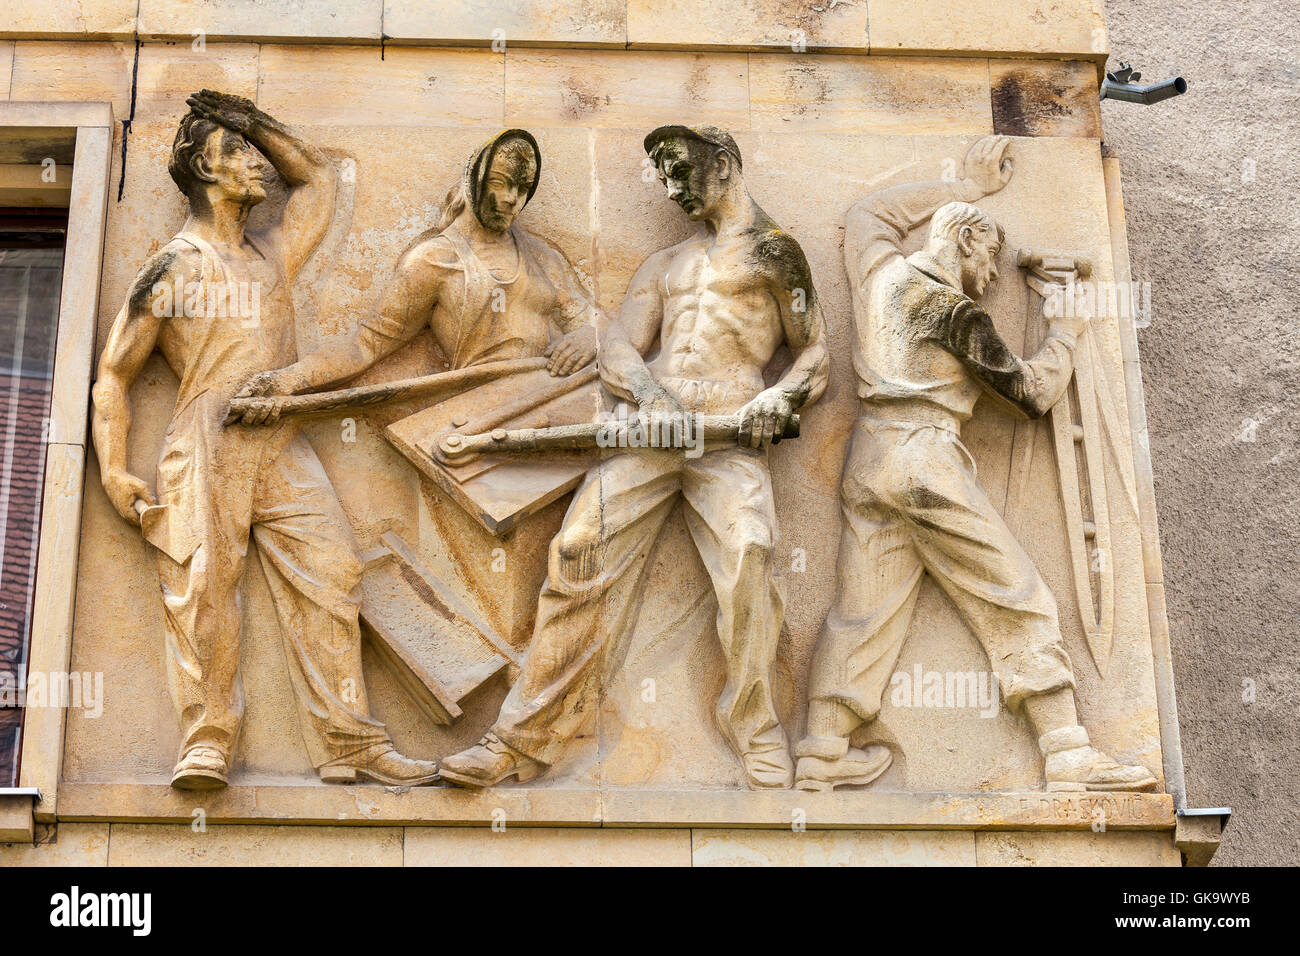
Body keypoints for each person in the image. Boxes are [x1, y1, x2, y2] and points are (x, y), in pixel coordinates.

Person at [439, 125, 829, 790]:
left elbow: (816, 355)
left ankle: (757, 728)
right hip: (649, 435)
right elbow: (621, 347)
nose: (671, 190)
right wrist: (650, 397)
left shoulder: (776, 255)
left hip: (727, 438)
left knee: (749, 559)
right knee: (577, 551)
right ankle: (517, 738)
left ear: (725, 164)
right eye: (664, 176)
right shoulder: (667, 265)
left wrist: (780, 398)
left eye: (680, 172)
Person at [91, 90, 439, 790]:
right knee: (203, 592)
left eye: (253, 152)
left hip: (280, 441)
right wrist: (112, 470)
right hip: (206, 439)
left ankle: (348, 742)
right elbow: (113, 376)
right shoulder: (173, 266)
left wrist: (253, 123)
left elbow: (316, 179)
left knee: (334, 573)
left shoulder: (273, 254)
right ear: (206, 169)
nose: (259, 166)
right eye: (240, 156)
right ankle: (207, 740)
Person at [796, 135, 1157, 794]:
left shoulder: (877, 273)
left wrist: (967, 189)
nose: (990, 279)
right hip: (925, 459)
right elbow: (1031, 395)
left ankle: (821, 750)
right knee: (1015, 593)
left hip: (868, 462)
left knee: (863, 611)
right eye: (988, 260)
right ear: (964, 243)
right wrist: (1067, 329)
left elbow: (869, 212)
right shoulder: (954, 311)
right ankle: (1069, 752)